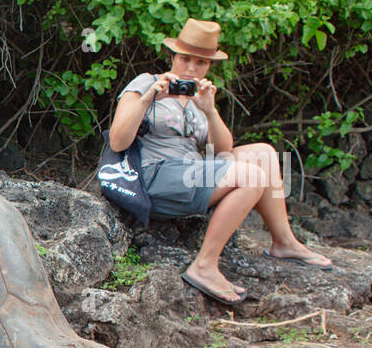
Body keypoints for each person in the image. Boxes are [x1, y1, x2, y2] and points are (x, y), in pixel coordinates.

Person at [109, 18, 332, 306]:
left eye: (200, 62)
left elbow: (223, 151)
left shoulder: (199, 98)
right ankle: (204, 265)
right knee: (251, 177)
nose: (191, 68)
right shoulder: (146, 83)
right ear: (173, 56)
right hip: (155, 176)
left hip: (191, 171)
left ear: (209, 66)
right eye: (184, 59)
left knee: (264, 153)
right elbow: (117, 141)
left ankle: (284, 242)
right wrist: (149, 99)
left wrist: (210, 112)